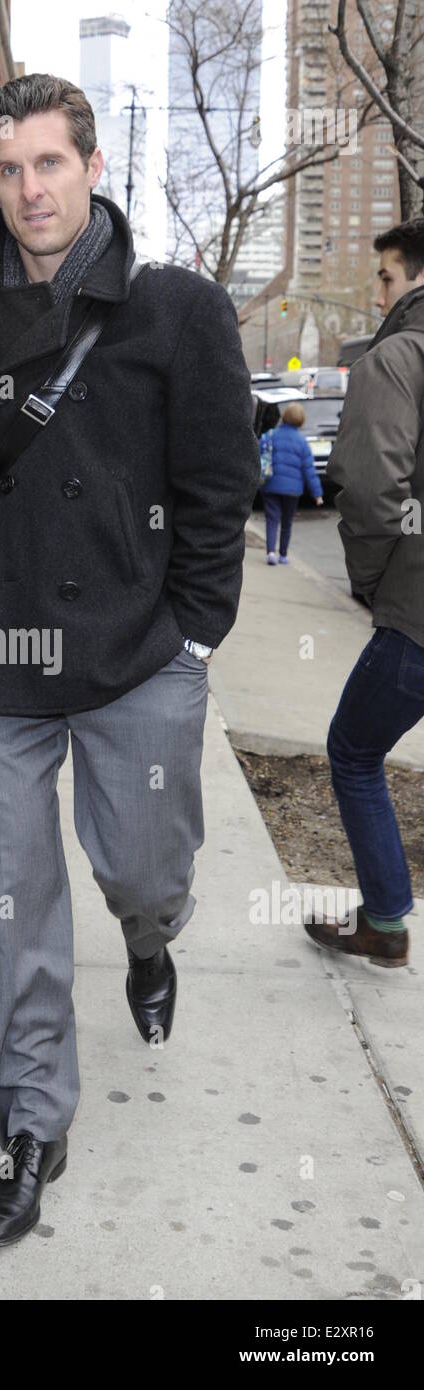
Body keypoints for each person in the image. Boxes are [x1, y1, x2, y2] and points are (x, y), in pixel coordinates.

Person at [0, 74, 259, 1246]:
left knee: (142, 869)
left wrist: (194, 629)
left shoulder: (179, 309)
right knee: (16, 897)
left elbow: (216, 489)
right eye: (6, 170)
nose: (27, 191)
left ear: (91, 166)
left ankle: (150, 943)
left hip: (134, 652)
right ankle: (31, 1121)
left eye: (47, 164)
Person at [304, 218, 424, 968]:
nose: (376, 292)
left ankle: (382, 922)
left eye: (383, 277)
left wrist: (376, 583)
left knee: (352, 750)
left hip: (416, 615)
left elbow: (370, 487)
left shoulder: (398, 356)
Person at [259, 402, 323, 564]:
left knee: (272, 519)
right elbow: (308, 469)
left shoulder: (271, 435)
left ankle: (271, 553)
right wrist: (317, 494)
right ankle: (283, 555)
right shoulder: (302, 442)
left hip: (270, 485)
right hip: (292, 490)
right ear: (301, 421)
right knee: (287, 522)